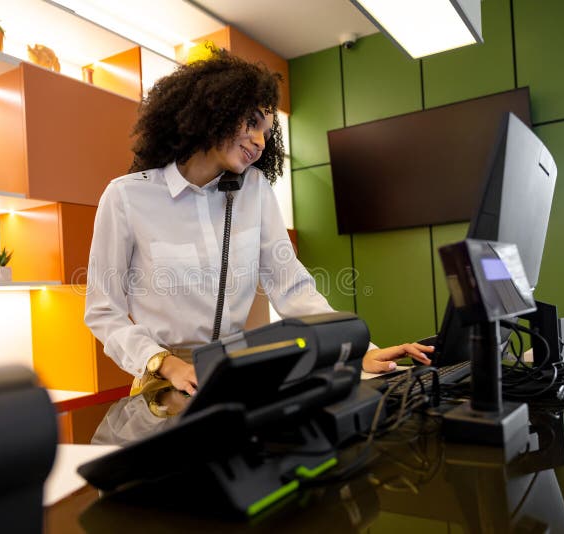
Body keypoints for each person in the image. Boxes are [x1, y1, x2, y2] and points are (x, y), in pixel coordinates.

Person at [84, 48, 432, 396]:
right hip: (164, 382)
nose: (261, 142)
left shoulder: (255, 189)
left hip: (233, 373)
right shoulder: (126, 198)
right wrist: (163, 362)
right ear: (214, 111)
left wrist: (358, 353)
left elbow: (291, 286)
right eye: (252, 122)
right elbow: (103, 311)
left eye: (267, 131)